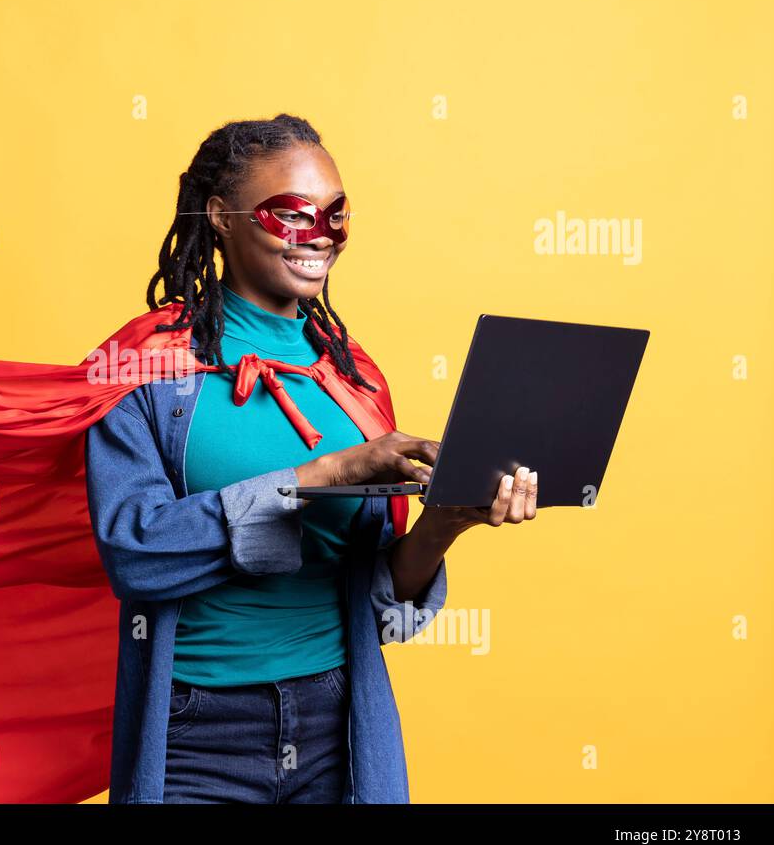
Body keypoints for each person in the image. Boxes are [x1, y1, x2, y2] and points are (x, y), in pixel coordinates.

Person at [84, 114, 538, 804]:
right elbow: (134, 551)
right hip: (195, 734)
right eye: (292, 213)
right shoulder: (141, 367)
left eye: (335, 214)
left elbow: (381, 602)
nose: (320, 235)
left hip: (337, 724)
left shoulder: (356, 383)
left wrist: (448, 522)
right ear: (221, 217)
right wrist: (325, 475)